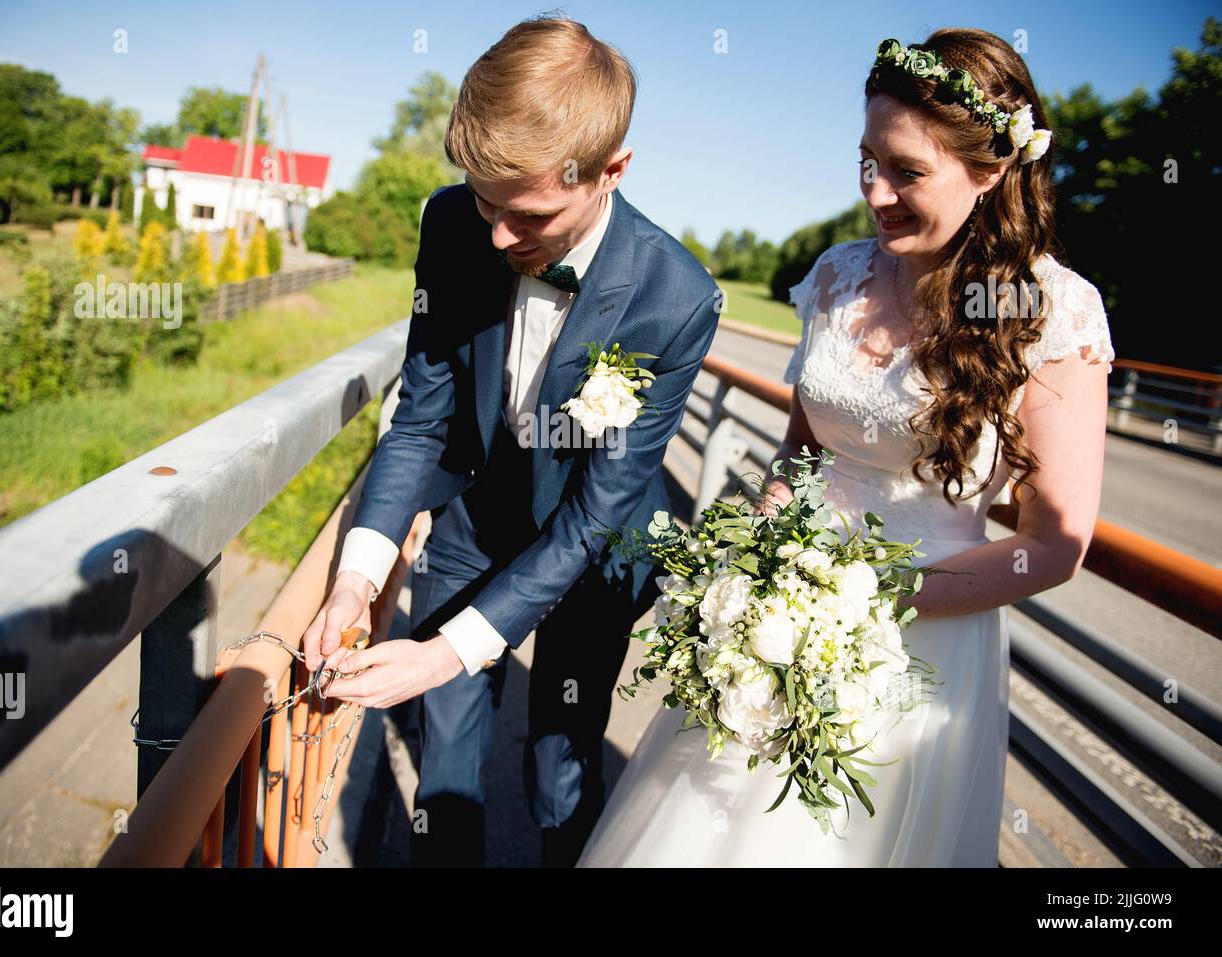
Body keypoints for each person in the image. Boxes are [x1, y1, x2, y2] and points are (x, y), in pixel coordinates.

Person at [578, 27, 1114, 867]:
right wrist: (756, 568)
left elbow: (1053, 546)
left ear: (994, 168)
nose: (877, 192)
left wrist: (865, 600)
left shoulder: (1056, 312)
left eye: (908, 171)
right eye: (867, 160)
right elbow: (802, 451)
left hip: (920, 646)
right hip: (780, 619)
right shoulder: (836, 276)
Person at [301, 15, 720, 867]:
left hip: (596, 555)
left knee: (561, 763)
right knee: (444, 756)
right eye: (484, 202)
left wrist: (443, 651)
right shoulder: (452, 224)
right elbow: (421, 414)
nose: (495, 236)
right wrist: (356, 577)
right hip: (471, 527)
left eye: (524, 214)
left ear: (611, 172)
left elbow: (596, 512)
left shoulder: (678, 299)